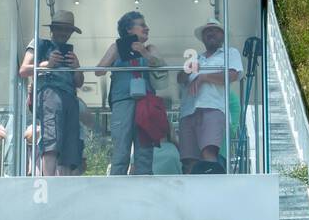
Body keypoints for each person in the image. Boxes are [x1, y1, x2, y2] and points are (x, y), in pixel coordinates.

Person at [95, 12, 164, 175]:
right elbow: (99, 71)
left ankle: (144, 194)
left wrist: (144, 53)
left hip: (146, 104)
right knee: (120, 151)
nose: (147, 28)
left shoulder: (150, 48)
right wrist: (117, 52)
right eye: (142, 25)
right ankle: (116, 192)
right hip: (123, 102)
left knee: (145, 154)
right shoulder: (116, 47)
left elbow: (161, 67)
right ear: (128, 29)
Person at [19, 10, 84, 176]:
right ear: (53, 29)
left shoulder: (71, 54)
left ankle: (66, 184)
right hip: (49, 93)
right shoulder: (40, 44)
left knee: (71, 143)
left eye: (67, 30)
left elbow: (79, 82)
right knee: (51, 137)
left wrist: (76, 66)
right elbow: (23, 70)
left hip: (70, 97)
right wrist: (47, 64)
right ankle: (48, 181)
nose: (64, 33)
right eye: (60, 29)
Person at [177, 19, 242, 173]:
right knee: (189, 159)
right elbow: (180, 79)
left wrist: (203, 77)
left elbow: (233, 75)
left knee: (209, 153)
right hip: (188, 111)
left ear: (222, 35)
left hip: (213, 108)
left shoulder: (230, 53)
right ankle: (191, 194)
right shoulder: (195, 58)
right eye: (207, 31)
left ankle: (211, 191)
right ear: (203, 37)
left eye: (215, 30)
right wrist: (188, 69)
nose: (211, 33)